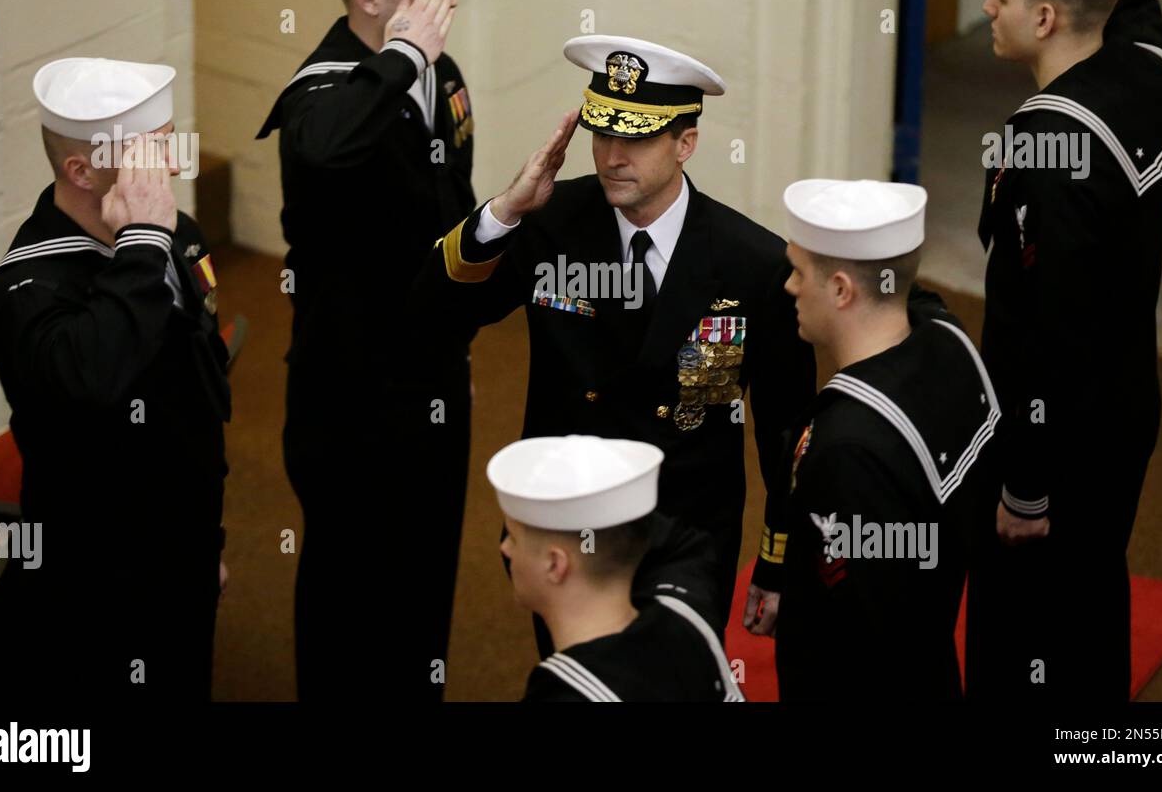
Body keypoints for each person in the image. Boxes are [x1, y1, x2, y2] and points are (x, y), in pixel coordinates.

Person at [415, 35, 816, 651]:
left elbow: (786, 430)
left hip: (684, 535)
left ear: (686, 143)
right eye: (602, 134)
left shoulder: (752, 264)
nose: (611, 156)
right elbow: (440, 309)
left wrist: (777, 558)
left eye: (636, 137)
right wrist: (505, 209)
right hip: (568, 523)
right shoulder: (552, 222)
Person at [968, 0, 1162, 699]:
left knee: (1026, 633)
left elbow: (1046, 332)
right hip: (1126, 403)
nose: (987, 6)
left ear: (1043, 18)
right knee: (1094, 603)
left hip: (1059, 434)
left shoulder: (1047, 149)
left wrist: (1025, 488)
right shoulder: (1145, 69)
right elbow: (1135, 4)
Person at [254, 0, 473, 702]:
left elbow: (446, 193)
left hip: (431, 378)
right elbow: (324, 149)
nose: (442, 6)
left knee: (424, 584)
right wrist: (403, 56)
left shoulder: (436, 70)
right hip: (350, 396)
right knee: (352, 600)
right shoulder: (325, 93)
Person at [0, 57, 230, 700]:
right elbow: (91, 382)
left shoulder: (174, 234)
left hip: (182, 538)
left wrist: (201, 543)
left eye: (169, 143)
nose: (170, 167)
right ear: (81, 170)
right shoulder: (26, 289)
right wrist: (143, 240)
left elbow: (197, 381)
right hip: (99, 570)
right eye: (150, 154)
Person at [774, 179, 994, 701]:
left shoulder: (848, 446)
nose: (788, 286)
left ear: (842, 290)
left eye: (799, 272)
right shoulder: (948, 342)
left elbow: (864, 622)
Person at [489, 434, 744, 702]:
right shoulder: (687, 609)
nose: (504, 548)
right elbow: (676, 540)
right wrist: (610, 516)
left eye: (513, 538)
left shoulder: (561, 694)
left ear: (555, 564)